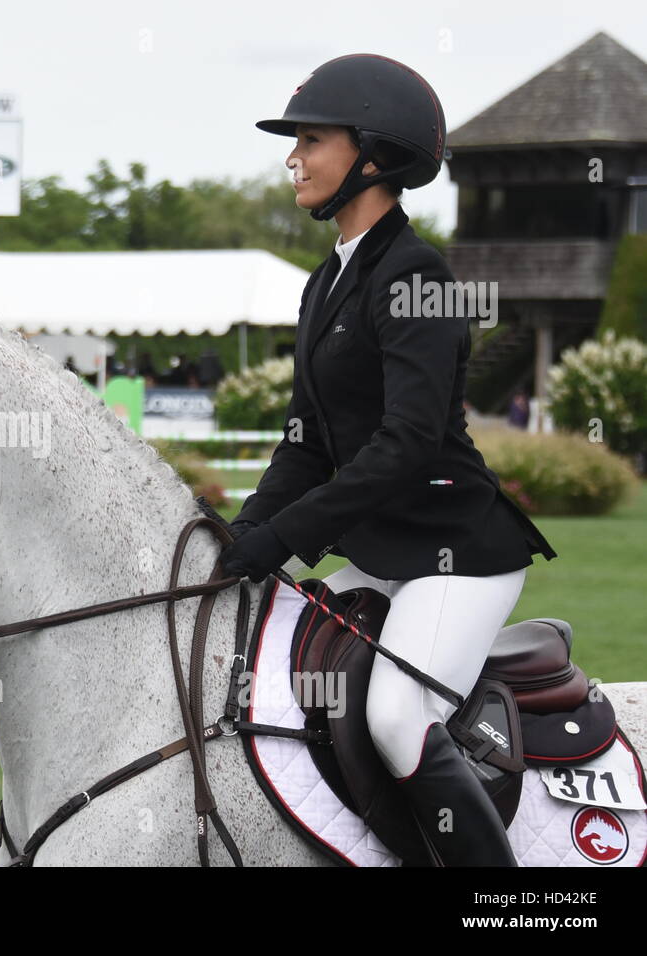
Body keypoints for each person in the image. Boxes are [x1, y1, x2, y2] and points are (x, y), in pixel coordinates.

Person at [220, 54, 557, 867]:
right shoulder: (324, 284)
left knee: (398, 717)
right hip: (381, 555)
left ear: (373, 154)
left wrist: (284, 539)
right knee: (280, 675)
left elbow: (404, 448)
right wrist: (239, 535)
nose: (293, 157)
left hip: (457, 557)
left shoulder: (418, 277)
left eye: (310, 139)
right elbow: (305, 444)